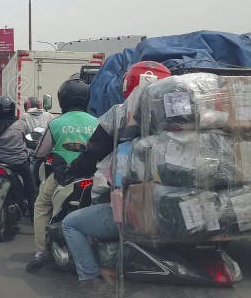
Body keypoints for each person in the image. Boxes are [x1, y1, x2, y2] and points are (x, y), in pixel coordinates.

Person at [61, 62, 172, 283]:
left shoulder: (120, 114)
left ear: (127, 86)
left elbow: (93, 153)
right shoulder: (178, 120)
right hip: (173, 211)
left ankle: (90, 279)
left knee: (70, 224)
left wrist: (72, 170)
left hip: (135, 212)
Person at [25, 79, 98, 273]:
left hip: (63, 176)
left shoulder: (56, 123)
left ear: (63, 99)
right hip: (93, 177)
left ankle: (41, 252)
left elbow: (41, 152)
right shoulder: (97, 122)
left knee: (41, 205)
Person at [0, 96, 37, 217]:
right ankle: (33, 213)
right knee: (30, 187)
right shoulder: (21, 124)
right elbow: (29, 140)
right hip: (19, 162)